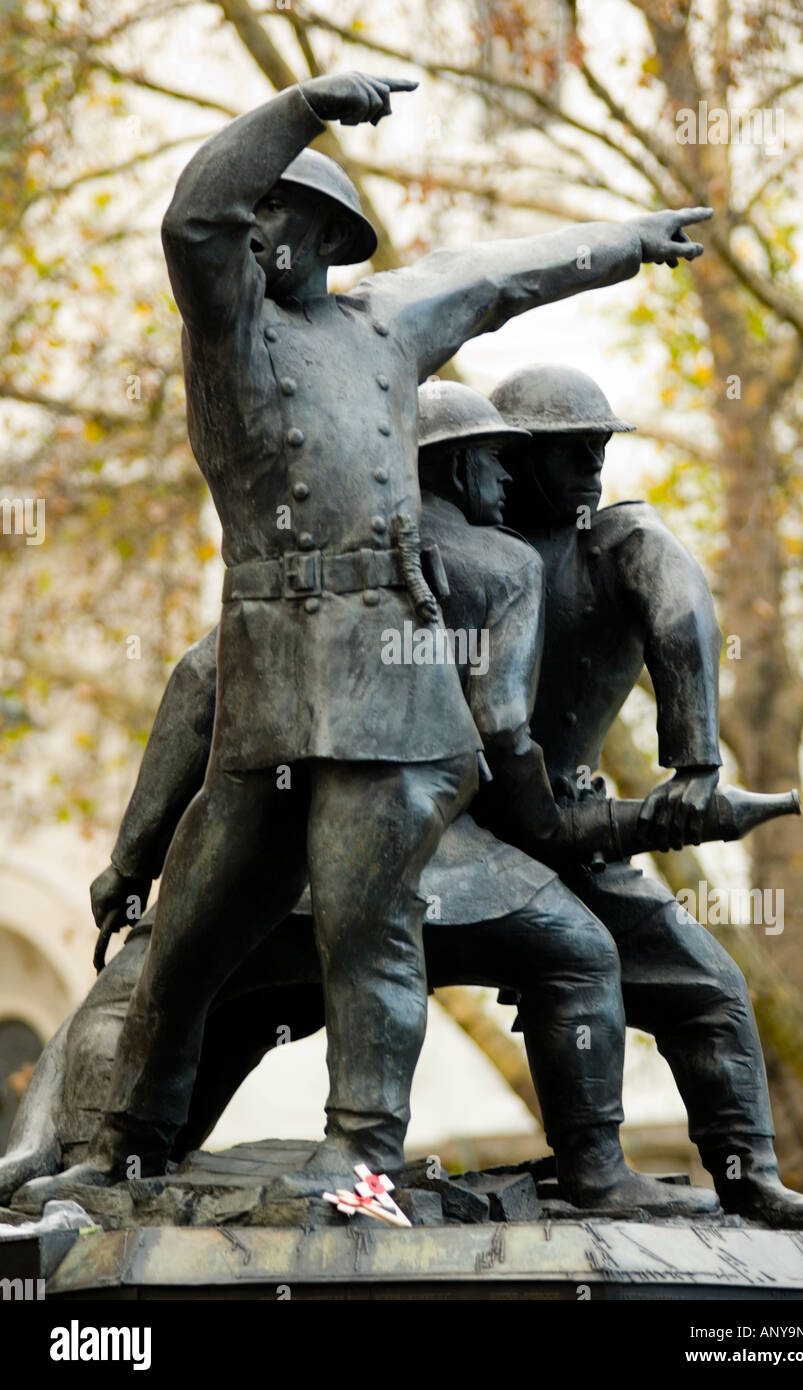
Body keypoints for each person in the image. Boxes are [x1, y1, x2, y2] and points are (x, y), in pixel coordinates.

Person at [31, 71, 713, 1196]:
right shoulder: (227, 333)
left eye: (275, 219)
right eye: (248, 219)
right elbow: (189, 216)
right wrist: (300, 107)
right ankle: (122, 1146)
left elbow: (498, 276)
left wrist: (630, 240)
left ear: (322, 234)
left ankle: (362, 1159)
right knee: (190, 936)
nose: (250, 236)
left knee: (368, 926)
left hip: (393, 697)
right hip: (270, 685)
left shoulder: (388, 326)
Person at [487, 363, 803, 1230]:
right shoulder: (461, 545)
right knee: (576, 962)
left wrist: (695, 762)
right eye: (568, 451)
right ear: (510, 457)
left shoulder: (617, 543)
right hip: (454, 827)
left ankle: (744, 1174)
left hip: (573, 830)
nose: (592, 466)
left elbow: (680, 601)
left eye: (599, 447)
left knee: (707, 987)